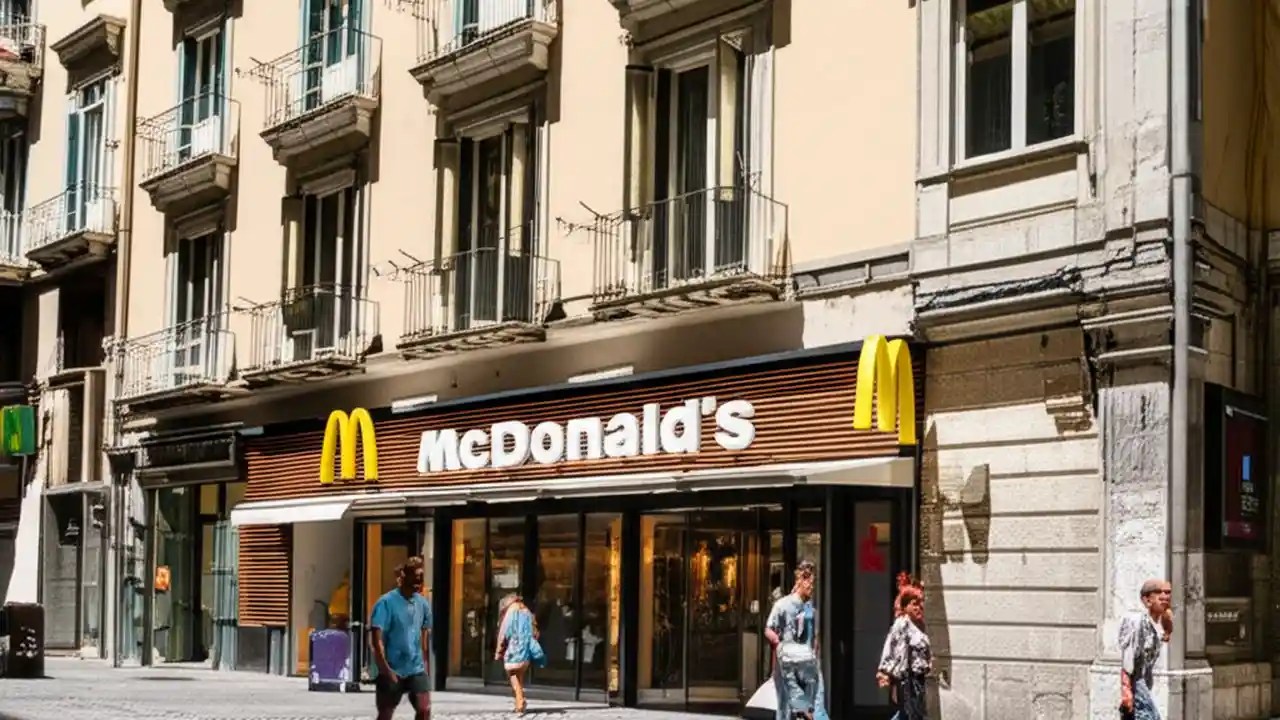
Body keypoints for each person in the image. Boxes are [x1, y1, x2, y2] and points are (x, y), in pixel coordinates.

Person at [370, 556, 432, 720]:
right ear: (404, 577)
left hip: (416, 668)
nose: (418, 582)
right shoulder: (386, 603)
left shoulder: (423, 604)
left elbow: (424, 638)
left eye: (421, 578)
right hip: (391, 667)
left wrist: (426, 668)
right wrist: (385, 669)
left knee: (424, 709)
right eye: (415, 577)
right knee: (385, 713)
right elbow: (377, 640)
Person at [766, 560, 825, 720]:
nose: (812, 587)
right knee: (785, 709)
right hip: (787, 667)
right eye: (809, 583)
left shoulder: (811, 611)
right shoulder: (782, 606)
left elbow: (815, 640)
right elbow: (769, 630)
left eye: (813, 583)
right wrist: (779, 646)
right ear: (800, 580)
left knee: (811, 708)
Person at [877, 573, 931, 720]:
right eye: (914, 604)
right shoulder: (902, 625)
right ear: (905, 606)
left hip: (917, 680)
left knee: (911, 715)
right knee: (909, 715)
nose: (919, 607)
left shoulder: (918, 626)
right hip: (907, 681)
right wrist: (887, 674)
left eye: (920, 603)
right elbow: (893, 650)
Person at [1118, 579, 1174, 720]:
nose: (1164, 596)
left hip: (1144, 686)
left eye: (1167, 592)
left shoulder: (1160, 625)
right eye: (1158, 592)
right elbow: (1127, 661)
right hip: (1136, 686)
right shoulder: (1136, 622)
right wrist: (1127, 692)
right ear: (1147, 599)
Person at [495, 594, 544, 714]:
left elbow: (503, 633)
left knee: (512, 674)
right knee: (519, 675)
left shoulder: (511, 612)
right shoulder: (527, 612)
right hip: (526, 649)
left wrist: (499, 651)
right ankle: (519, 701)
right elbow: (535, 632)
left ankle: (520, 700)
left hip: (514, 649)